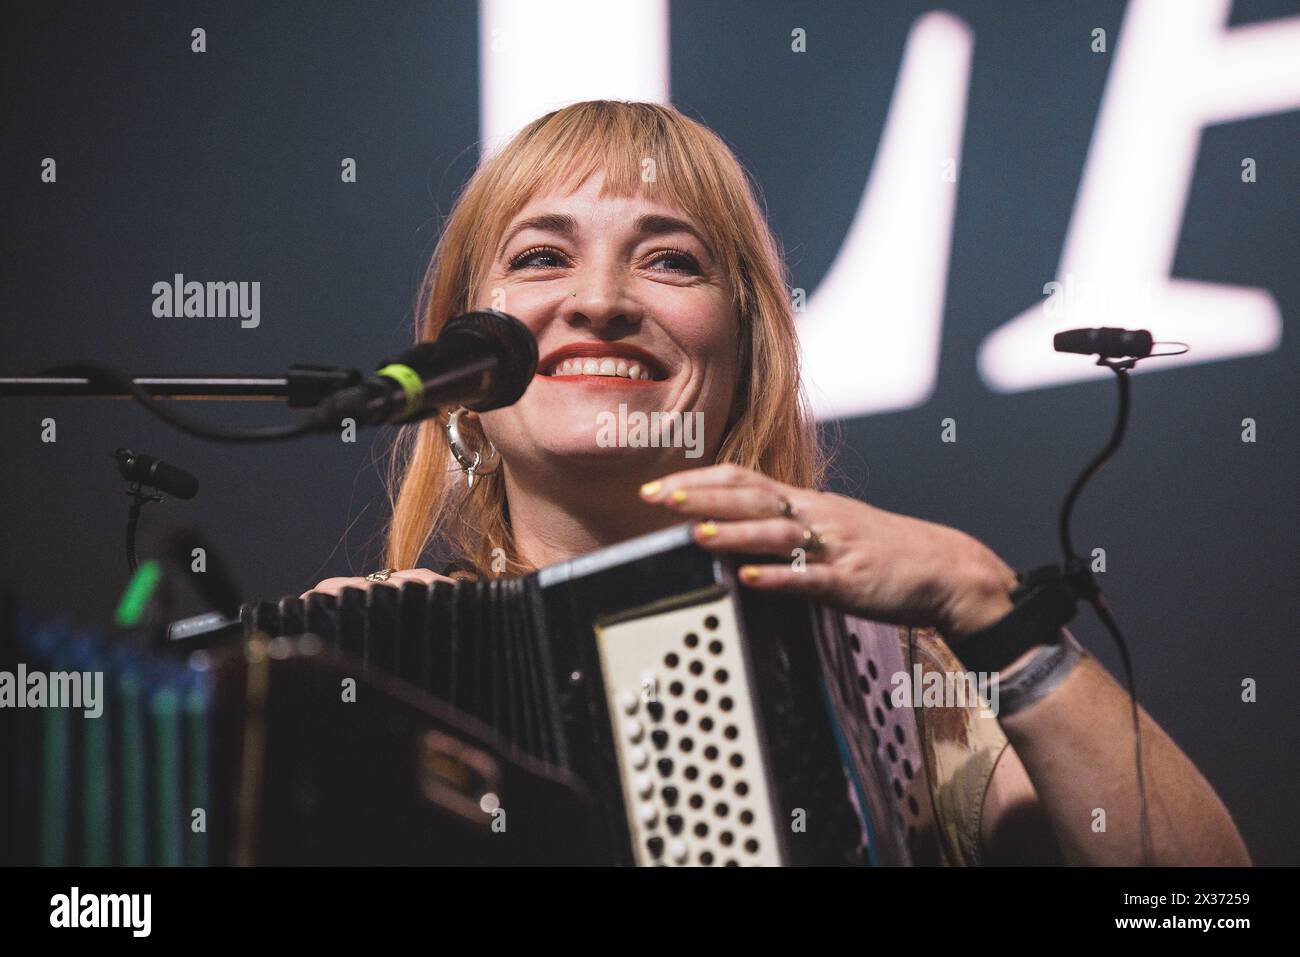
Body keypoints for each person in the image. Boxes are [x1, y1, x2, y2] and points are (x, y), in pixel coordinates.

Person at [308, 100, 1249, 866]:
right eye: (541, 256)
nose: (599, 301)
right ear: (462, 367)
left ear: (748, 358)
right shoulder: (362, 661)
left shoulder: (893, 668)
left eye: (671, 259)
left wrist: (985, 601)